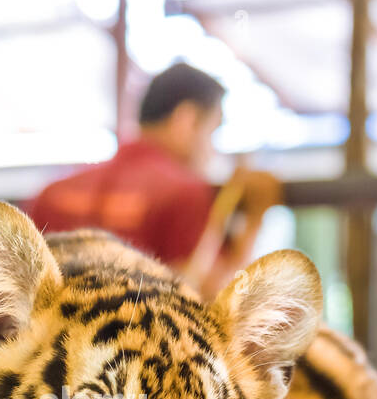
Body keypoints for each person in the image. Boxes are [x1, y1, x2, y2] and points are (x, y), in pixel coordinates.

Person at [28, 62, 281, 298]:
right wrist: (253, 223)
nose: (212, 151)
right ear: (187, 120)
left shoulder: (52, 193)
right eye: (213, 131)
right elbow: (203, 298)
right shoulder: (185, 192)